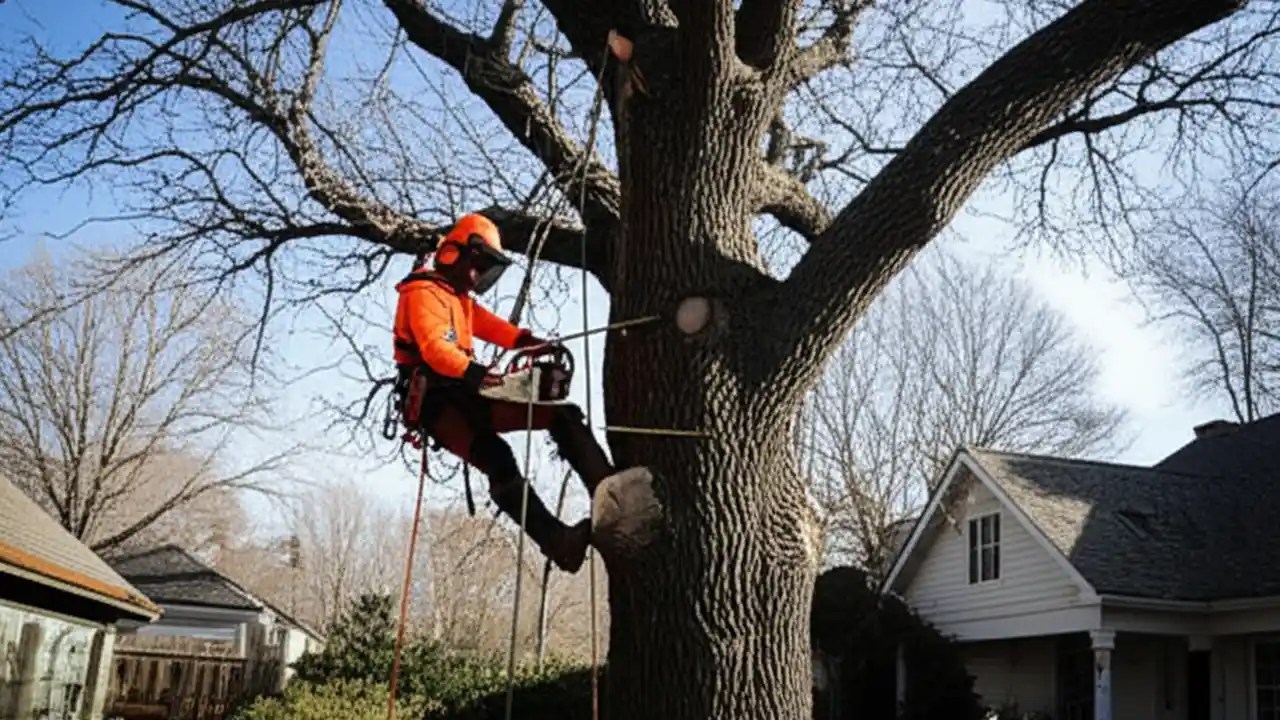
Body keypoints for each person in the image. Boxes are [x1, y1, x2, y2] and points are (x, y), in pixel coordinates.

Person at [392, 212, 614, 573]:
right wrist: (479, 374)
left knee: (561, 413)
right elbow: (434, 347)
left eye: (484, 268)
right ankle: (560, 543)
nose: (477, 275)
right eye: (476, 265)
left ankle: (608, 491)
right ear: (454, 254)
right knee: (498, 459)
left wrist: (528, 342)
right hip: (438, 401)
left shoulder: (460, 301)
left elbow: (492, 327)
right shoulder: (422, 292)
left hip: (468, 389)